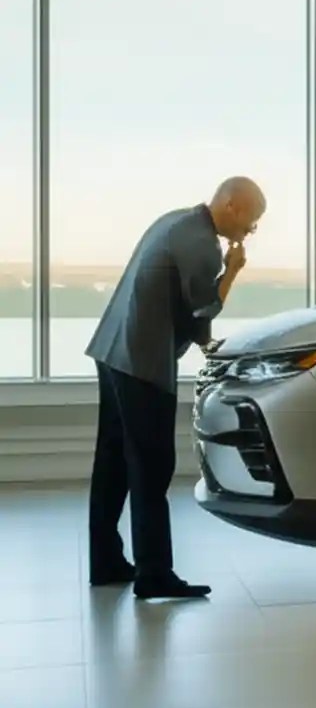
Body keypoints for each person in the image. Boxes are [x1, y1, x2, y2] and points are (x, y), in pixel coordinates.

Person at [86, 176, 264, 599]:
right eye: (252, 221)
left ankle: (106, 560)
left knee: (113, 462)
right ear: (233, 206)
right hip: (142, 363)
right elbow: (204, 304)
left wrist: (203, 341)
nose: (251, 231)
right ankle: (153, 574)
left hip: (112, 351)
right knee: (152, 466)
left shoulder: (175, 221)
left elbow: (179, 306)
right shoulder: (203, 243)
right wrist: (232, 271)